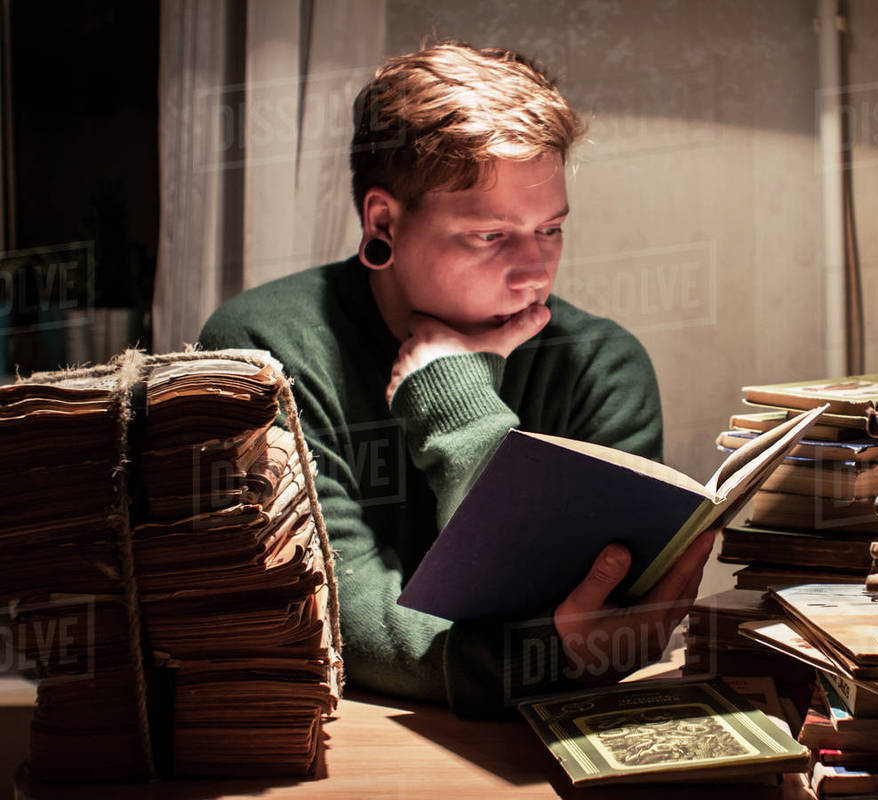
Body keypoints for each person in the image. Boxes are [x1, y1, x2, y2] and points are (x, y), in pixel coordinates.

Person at [198, 42, 714, 715]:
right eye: (491, 236)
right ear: (383, 222)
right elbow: (328, 613)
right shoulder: (261, 350)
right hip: (351, 735)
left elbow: (601, 620)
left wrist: (457, 391)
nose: (534, 274)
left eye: (550, 229)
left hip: (551, 741)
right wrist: (536, 659)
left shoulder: (602, 366)